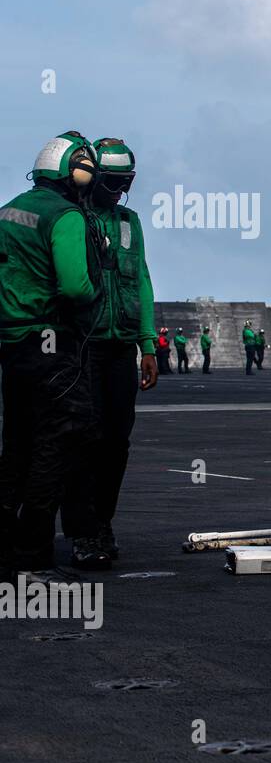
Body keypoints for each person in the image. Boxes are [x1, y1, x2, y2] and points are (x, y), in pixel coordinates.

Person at [0, 131, 102, 581]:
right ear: (74, 171)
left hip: (13, 343)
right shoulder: (65, 216)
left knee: (17, 443)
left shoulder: (8, 210)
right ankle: (33, 551)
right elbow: (77, 286)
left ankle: (5, 542)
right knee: (58, 439)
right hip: (51, 342)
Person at [59, 137, 159, 569]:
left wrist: (148, 344)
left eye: (125, 183)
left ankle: (102, 523)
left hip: (121, 348)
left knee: (117, 441)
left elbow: (141, 281)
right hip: (82, 347)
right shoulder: (70, 218)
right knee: (84, 439)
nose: (118, 191)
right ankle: (81, 531)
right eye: (111, 182)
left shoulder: (128, 222)